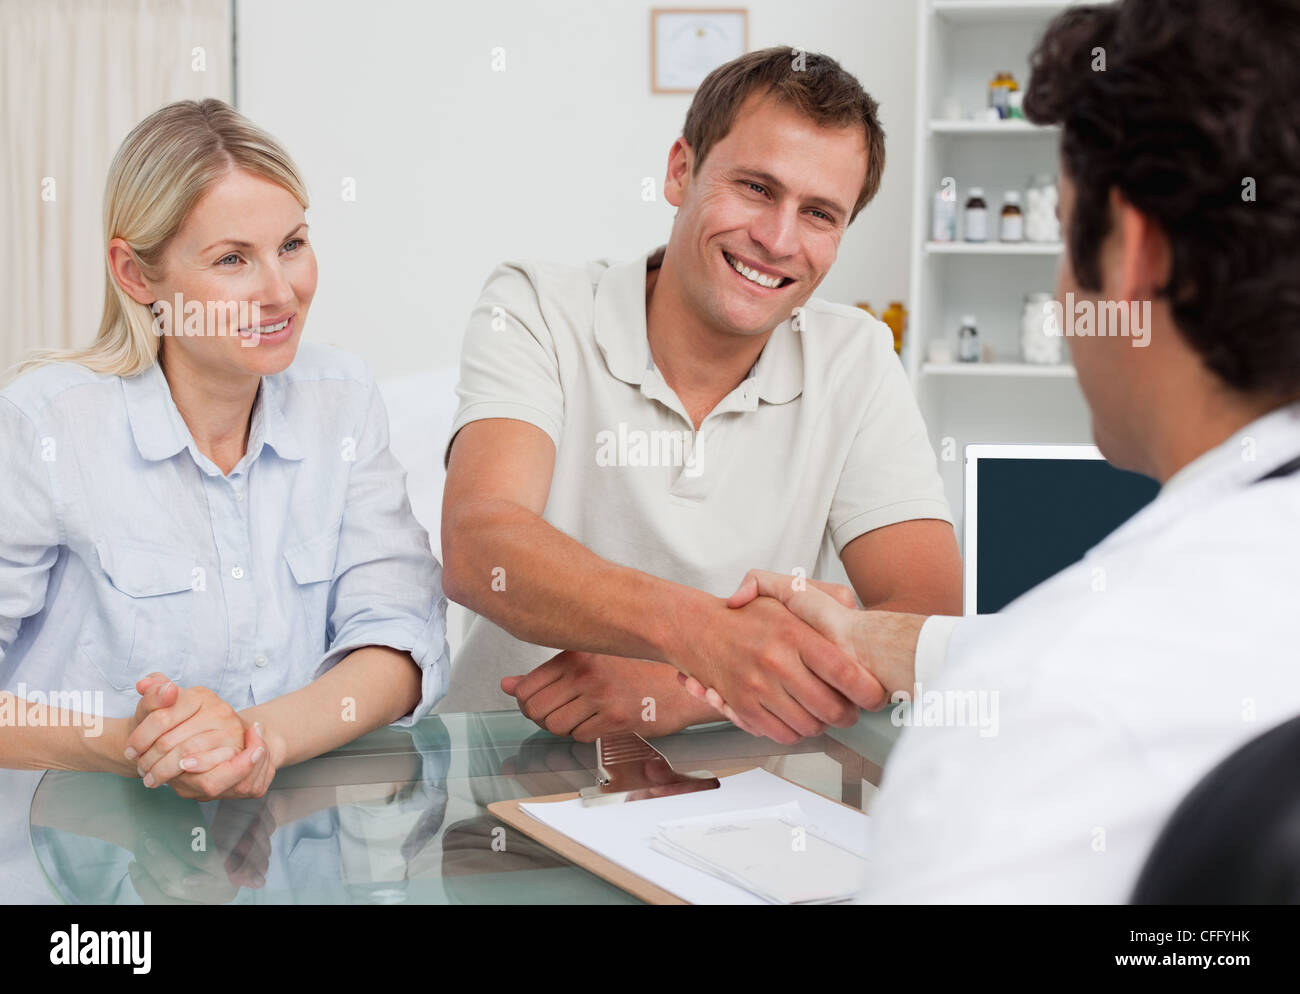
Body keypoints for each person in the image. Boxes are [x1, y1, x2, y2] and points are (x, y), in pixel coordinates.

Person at [687, 0, 1300, 901]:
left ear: (1129, 254)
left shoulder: (1035, 719)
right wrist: (870, 639)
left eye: (1064, 228)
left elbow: (1074, 678)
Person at [438, 47, 962, 744]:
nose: (778, 239)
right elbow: (481, 547)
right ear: (681, 171)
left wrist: (693, 687)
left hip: (755, 793)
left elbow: (927, 621)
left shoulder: (856, 355)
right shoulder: (536, 305)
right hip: (510, 778)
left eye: (819, 214)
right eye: (755, 188)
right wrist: (705, 639)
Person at [0, 99, 449, 807]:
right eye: (233, 259)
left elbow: (398, 643)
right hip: (77, 876)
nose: (282, 292)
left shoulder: (343, 398)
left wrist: (252, 738)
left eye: (293, 245)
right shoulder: (46, 425)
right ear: (136, 274)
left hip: (288, 863)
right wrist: (135, 745)